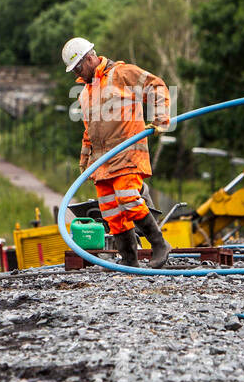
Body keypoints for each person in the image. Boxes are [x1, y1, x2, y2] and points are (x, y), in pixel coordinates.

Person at [62, 37, 174, 268]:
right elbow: (88, 132)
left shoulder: (122, 74)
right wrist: (85, 162)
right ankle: (129, 262)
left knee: (128, 199)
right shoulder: (85, 93)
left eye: (79, 67)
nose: (78, 73)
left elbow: (157, 85)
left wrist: (160, 118)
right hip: (102, 163)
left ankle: (160, 245)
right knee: (111, 213)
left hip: (127, 153)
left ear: (90, 58)